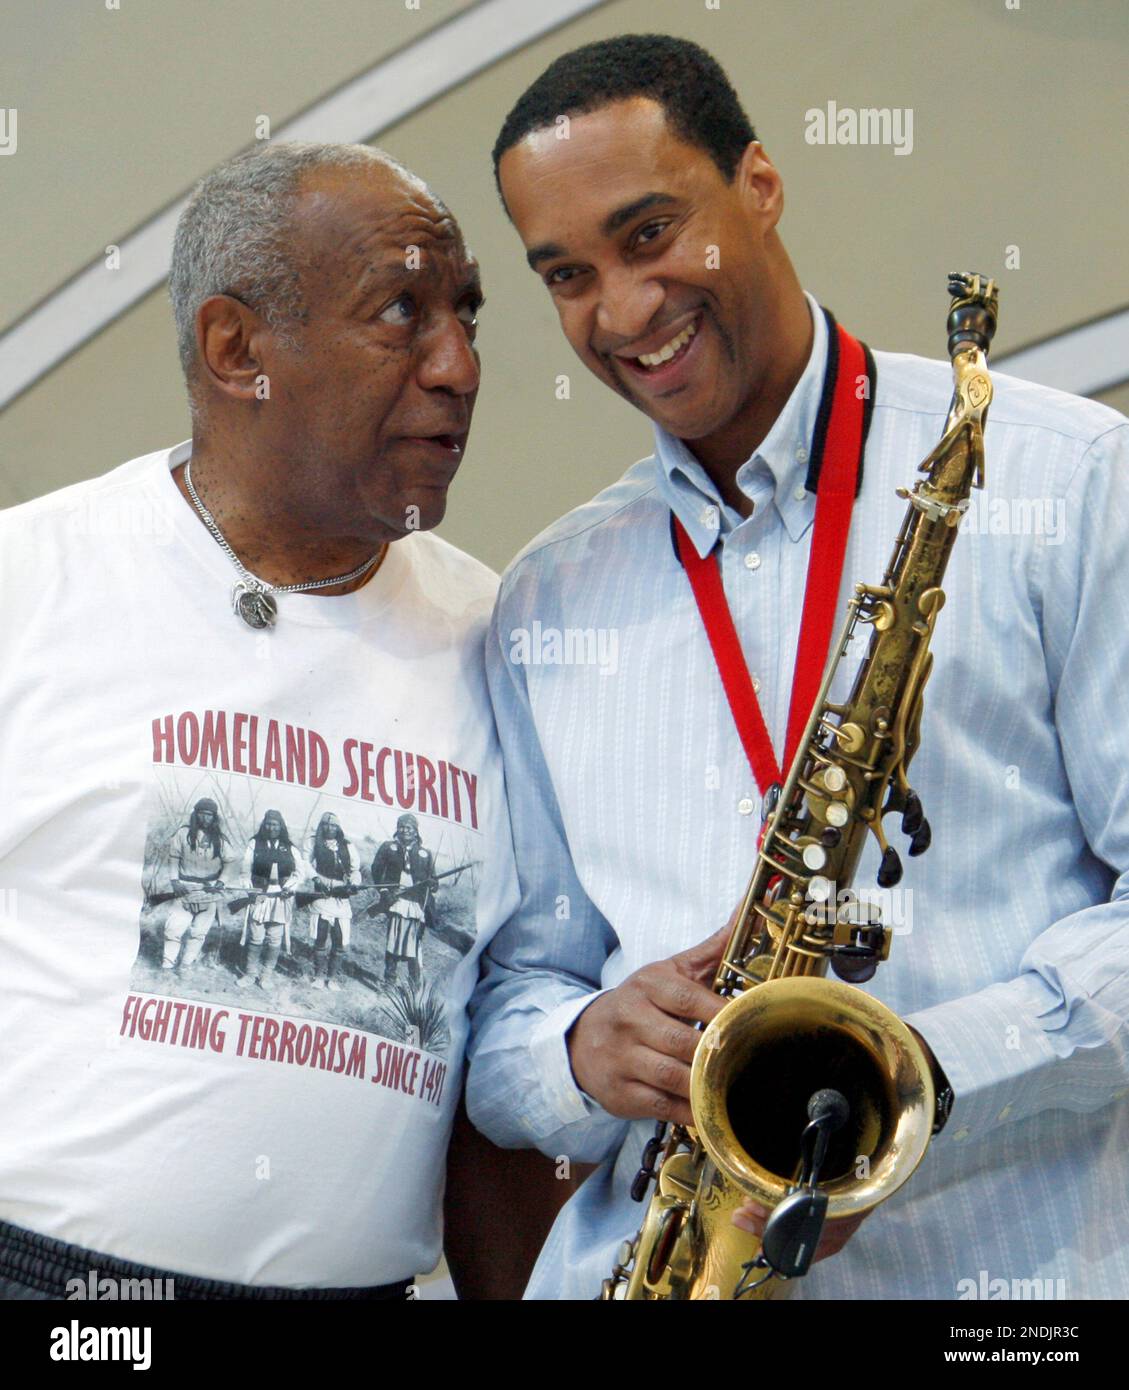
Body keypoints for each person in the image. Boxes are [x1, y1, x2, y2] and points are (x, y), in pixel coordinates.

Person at [465, 34, 1129, 1300]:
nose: (620, 312)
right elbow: (508, 1004)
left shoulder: (1066, 478)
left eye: (650, 232)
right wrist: (574, 1047)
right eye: (567, 274)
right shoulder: (547, 595)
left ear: (760, 183)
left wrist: (909, 1082)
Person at [0, 140, 534, 1299]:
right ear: (238, 349)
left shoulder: (506, 646)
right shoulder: (27, 583)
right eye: (401, 311)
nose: (457, 366)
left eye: (469, 317)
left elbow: (501, 1060)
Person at [161, 797, 239, 973]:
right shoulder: (183, 834)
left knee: (198, 933)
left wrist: (221, 882)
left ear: (214, 817)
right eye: (202, 814)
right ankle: (167, 965)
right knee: (174, 929)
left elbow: (230, 862)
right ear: (196, 815)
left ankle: (186, 966)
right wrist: (174, 881)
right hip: (184, 887)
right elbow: (173, 858)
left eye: (209, 815)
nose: (205, 818)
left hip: (208, 890)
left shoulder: (219, 839)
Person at [240, 809, 304, 992]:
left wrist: (289, 888)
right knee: (256, 936)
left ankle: (266, 975)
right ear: (264, 824)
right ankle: (250, 974)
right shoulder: (254, 843)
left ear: (281, 826)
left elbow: (300, 873)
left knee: (275, 938)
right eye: (268, 823)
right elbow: (245, 869)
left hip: (281, 898)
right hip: (259, 894)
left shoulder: (290, 847)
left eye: (275, 824)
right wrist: (250, 890)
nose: (271, 827)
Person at [373, 813, 438, 987]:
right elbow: (376, 872)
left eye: (409, 827)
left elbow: (434, 881)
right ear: (397, 829)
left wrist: (432, 884)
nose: (405, 830)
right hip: (396, 902)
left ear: (416, 831)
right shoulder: (388, 847)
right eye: (402, 827)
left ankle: (414, 986)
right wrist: (385, 891)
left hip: (416, 905)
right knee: (393, 942)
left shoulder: (426, 854)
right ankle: (389, 983)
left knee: (414, 946)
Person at [305, 811, 362, 991]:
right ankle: (319, 976)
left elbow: (355, 870)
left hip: (341, 897)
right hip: (322, 894)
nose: (330, 828)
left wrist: (354, 883)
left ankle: (332, 978)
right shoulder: (314, 842)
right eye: (327, 825)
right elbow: (304, 863)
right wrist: (316, 879)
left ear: (338, 828)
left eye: (334, 825)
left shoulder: (347, 845)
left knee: (339, 938)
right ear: (322, 826)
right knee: (320, 937)